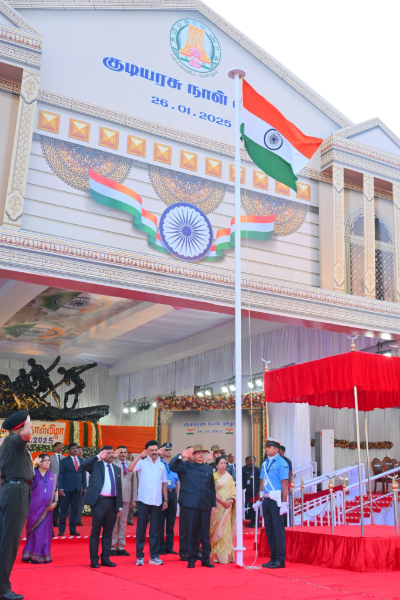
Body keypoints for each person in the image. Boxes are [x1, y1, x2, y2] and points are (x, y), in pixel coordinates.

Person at [0, 410, 34, 600]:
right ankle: (3, 589)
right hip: (16, 492)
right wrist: (27, 420)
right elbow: (27, 434)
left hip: (9, 490)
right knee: (9, 542)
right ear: (20, 425)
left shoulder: (6, 442)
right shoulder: (14, 440)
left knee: (4, 539)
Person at [170, 444, 216, 569]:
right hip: (191, 504)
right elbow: (172, 466)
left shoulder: (208, 469)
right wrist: (181, 456)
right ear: (193, 455)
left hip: (205, 505)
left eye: (203, 453)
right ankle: (191, 559)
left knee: (205, 534)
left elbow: (211, 488)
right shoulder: (187, 467)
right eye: (198, 453)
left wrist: (213, 505)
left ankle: (206, 559)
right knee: (192, 532)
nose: (201, 454)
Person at [81, 446, 123, 568]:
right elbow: (83, 464)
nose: (111, 455)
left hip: (112, 503)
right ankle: (94, 559)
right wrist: (98, 457)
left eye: (112, 453)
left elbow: (119, 489)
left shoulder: (116, 469)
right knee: (95, 532)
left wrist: (119, 506)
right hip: (99, 502)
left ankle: (106, 558)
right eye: (108, 453)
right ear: (103, 454)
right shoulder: (96, 465)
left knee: (108, 533)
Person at [128, 440, 168, 566]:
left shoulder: (161, 464)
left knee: (155, 529)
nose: (154, 452)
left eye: (156, 450)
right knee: (141, 528)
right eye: (151, 450)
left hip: (157, 501)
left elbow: (163, 483)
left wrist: (165, 499)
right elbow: (130, 469)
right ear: (147, 451)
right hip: (144, 500)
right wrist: (140, 455)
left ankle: (154, 556)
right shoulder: (142, 463)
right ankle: (139, 556)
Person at [254, 438, 289, 570]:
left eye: (269, 447)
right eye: (266, 447)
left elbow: (285, 484)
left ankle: (280, 559)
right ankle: (273, 557)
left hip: (277, 499)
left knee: (278, 530)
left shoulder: (282, 463)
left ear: (276, 449)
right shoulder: (265, 463)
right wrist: (259, 499)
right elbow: (262, 482)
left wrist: (284, 503)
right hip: (267, 499)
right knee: (269, 529)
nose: (266, 449)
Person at [22, 454, 58, 564]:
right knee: (35, 530)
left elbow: (55, 489)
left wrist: (55, 502)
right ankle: (31, 555)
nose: (48, 462)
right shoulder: (33, 473)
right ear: (40, 463)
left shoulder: (53, 475)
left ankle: (43, 555)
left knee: (45, 531)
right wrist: (33, 463)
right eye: (45, 460)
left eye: (49, 460)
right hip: (34, 508)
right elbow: (26, 476)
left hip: (47, 509)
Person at [111, 445, 137, 556]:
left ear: (127, 453)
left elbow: (134, 483)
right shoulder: (112, 463)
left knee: (123, 523)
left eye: (124, 452)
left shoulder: (131, 464)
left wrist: (134, 499)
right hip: (115, 497)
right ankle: (112, 546)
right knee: (113, 522)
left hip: (126, 497)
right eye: (120, 452)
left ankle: (121, 547)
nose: (123, 454)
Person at [210, 456, 236, 564]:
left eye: (225, 463)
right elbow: (212, 492)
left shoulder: (229, 477)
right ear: (216, 465)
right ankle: (215, 556)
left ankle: (226, 556)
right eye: (221, 463)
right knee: (215, 530)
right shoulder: (213, 476)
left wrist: (230, 500)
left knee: (225, 530)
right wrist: (223, 502)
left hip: (227, 508)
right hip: (216, 506)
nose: (223, 465)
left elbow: (233, 491)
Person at [177, 447, 201, 562]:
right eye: (190, 453)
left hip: (197, 500)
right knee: (184, 527)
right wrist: (181, 456)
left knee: (197, 528)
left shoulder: (199, 466)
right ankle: (183, 551)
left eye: (193, 453)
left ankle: (196, 551)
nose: (192, 455)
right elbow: (172, 466)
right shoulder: (182, 465)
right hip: (185, 500)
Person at [58, 442, 87, 536]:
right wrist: (60, 488)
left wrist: (85, 487)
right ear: (69, 451)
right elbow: (61, 475)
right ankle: (61, 530)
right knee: (63, 510)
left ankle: (73, 530)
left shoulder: (81, 461)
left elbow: (83, 475)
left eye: (76, 448)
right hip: (66, 489)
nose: (75, 450)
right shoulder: (64, 461)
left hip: (77, 489)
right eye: (73, 448)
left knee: (74, 510)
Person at [158, 442, 179, 555]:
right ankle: (161, 547)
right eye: (166, 450)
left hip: (172, 494)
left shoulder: (175, 464)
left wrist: (176, 496)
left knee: (171, 522)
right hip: (162, 494)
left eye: (170, 449)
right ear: (162, 451)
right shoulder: (159, 463)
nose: (169, 451)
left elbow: (177, 482)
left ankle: (169, 547)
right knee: (161, 522)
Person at [49, 441, 64, 528]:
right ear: (54, 447)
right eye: (58, 446)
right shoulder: (50, 458)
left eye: (61, 446)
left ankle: (58, 521)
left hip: (63, 484)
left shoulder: (65, 458)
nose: (60, 448)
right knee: (54, 503)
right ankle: (53, 521)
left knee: (62, 505)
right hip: (53, 484)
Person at [242, 456, 260, 528]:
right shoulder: (243, 469)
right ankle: (251, 522)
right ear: (246, 461)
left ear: (255, 461)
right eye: (248, 460)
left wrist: (259, 491)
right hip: (247, 492)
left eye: (251, 460)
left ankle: (256, 522)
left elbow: (261, 480)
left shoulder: (257, 469)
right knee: (250, 507)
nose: (250, 462)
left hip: (255, 492)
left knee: (255, 507)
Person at [279, 445, 292, 527]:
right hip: (276, 486)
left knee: (285, 505)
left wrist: (289, 488)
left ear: (282, 451)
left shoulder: (287, 461)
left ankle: (285, 523)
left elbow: (290, 475)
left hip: (285, 486)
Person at [76, 447, 88, 526]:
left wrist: (85, 487)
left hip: (82, 486)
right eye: (78, 450)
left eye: (81, 450)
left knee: (80, 504)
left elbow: (86, 476)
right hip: (73, 486)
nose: (80, 452)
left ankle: (78, 520)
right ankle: (72, 520)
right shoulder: (73, 461)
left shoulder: (85, 462)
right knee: (72, 504)